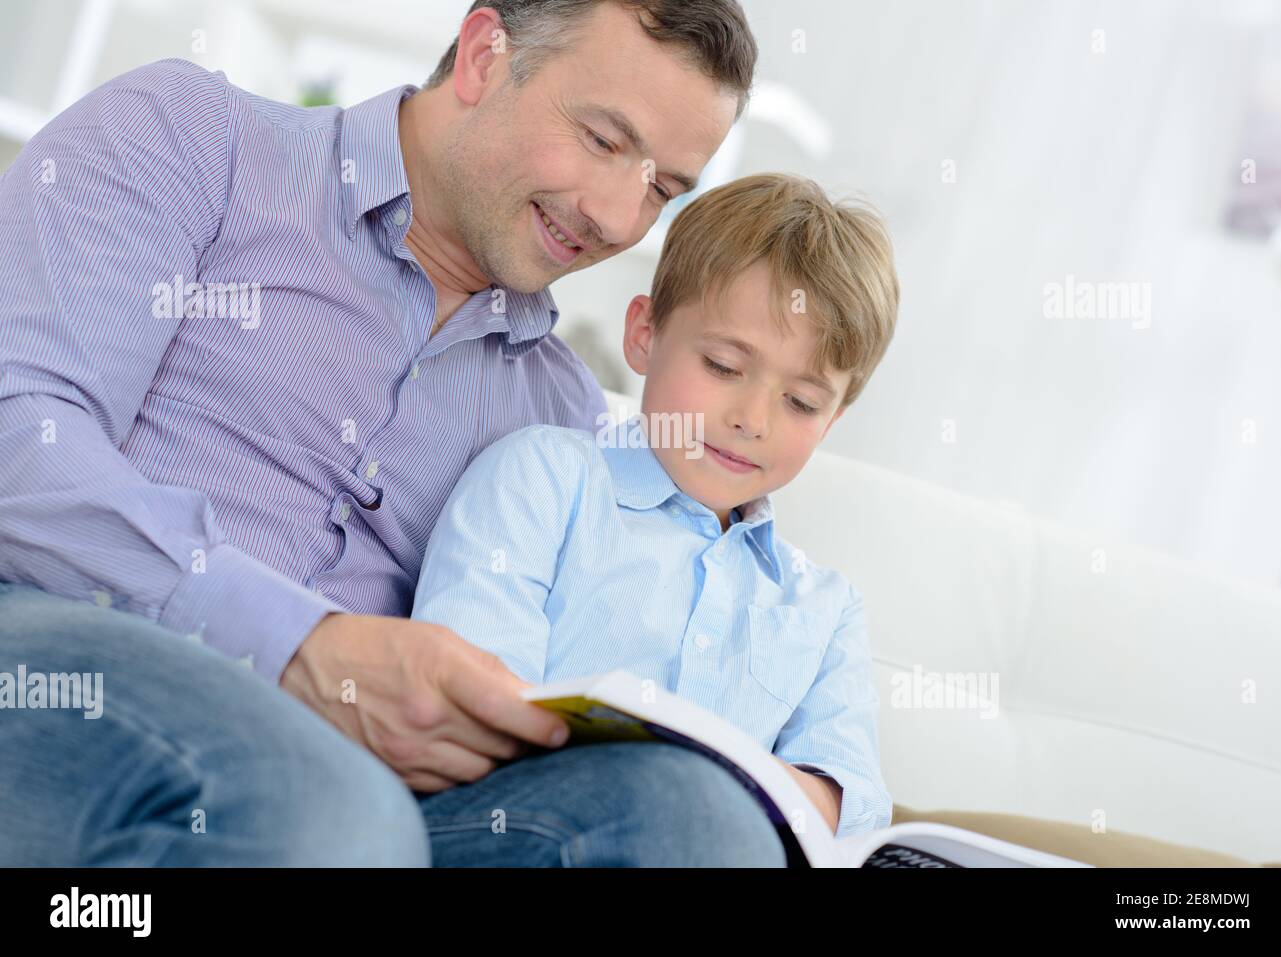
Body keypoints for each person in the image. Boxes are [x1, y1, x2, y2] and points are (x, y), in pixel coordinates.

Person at [0, 0, 771, 866]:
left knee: (700, 828)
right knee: (329, 814)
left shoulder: (564, 417)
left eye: (663, 188)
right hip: (72, 656)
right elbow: (19, 434)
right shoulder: (194, 141)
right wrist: (296, 645)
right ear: (484, 55)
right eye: (602, 141)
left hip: (391, 797)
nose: (619, 219)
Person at [411, 172, 901, 857]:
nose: (751, 419)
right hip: (507, 831)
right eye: (724, 365)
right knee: (683, 806)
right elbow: (468, 705)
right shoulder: (546, 478)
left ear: (834, 420)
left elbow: (843, 808)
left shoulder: (826, 610)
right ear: (644, 333)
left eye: (801, 403)